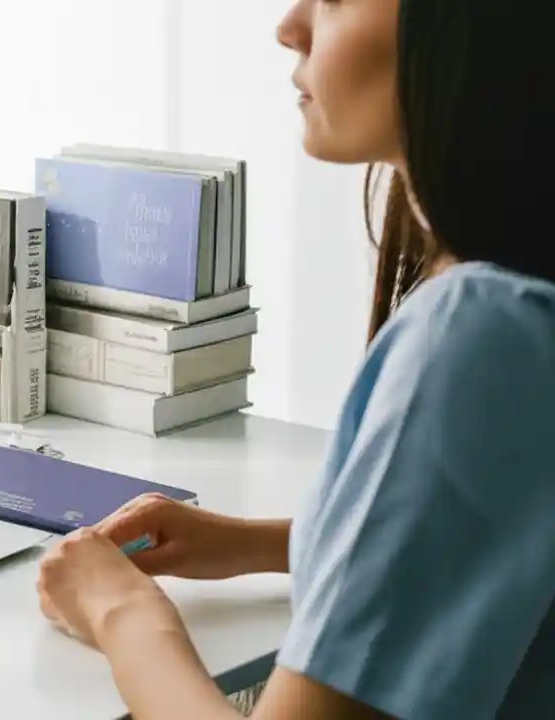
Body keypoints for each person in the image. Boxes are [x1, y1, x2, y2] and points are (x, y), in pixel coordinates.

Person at [35, 1, 555, 718]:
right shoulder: (525, 305)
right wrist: (269, 543)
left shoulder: (478, 333)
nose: (290, 26)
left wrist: (119, 610)